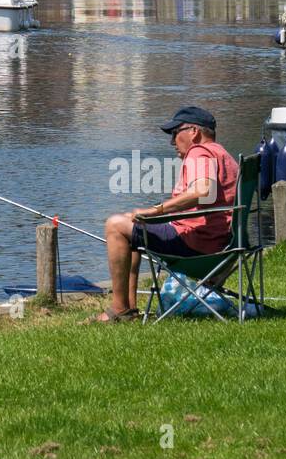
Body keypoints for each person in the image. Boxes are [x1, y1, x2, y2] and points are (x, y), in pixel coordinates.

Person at [95, 106, 239, 322]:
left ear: (194, 132)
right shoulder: (223, 154)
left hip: (197, 246)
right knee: (131, 221)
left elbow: (202, 190)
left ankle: (119, 309)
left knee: (115, 225)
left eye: (175, 133)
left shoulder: (199, 151)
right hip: (221, 246)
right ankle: (129, 308)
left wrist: (157, 210)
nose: (172, 142)